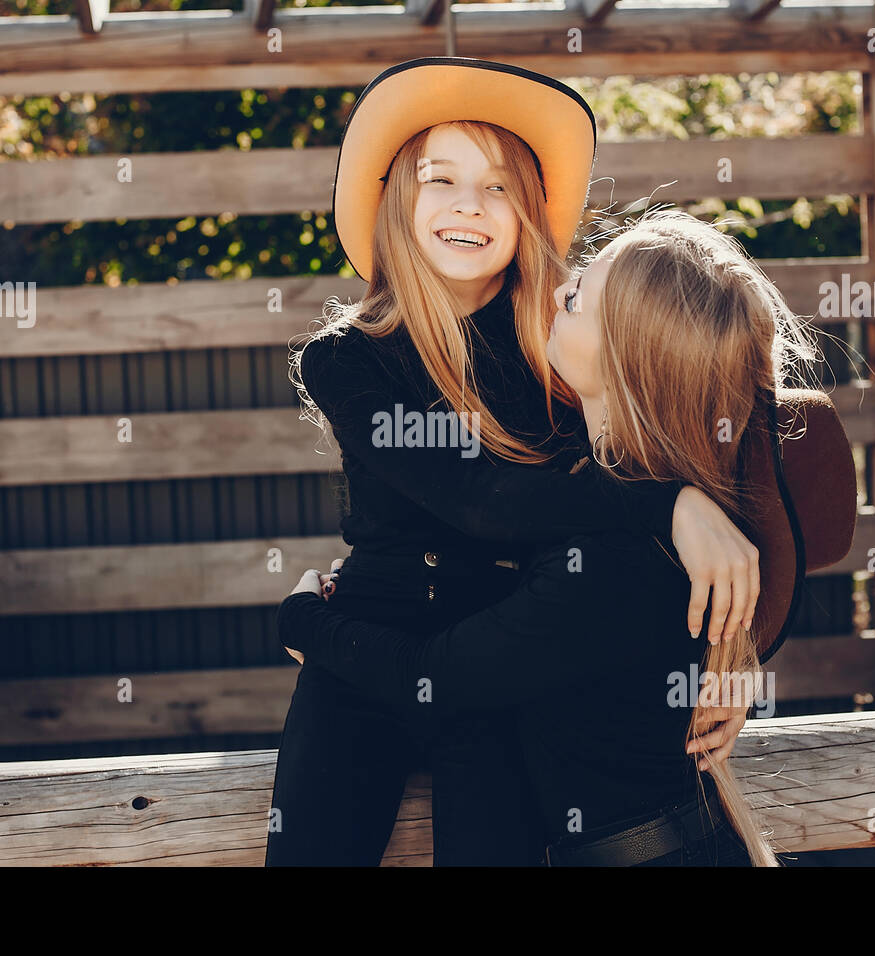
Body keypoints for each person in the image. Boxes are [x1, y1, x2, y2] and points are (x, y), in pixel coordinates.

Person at [265, 58, 761, 867]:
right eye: (441, 179)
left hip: (503, 658)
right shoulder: (345, 359)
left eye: (498, 186)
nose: (469, 203)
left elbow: (713, 454)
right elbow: (477, 499)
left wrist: (732, 662)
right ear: (396, 199)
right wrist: (666, 505)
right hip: (366, 638)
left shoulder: (562, 346)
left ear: (528, 210)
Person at [279, 208, 858, 866]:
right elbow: (486, 500)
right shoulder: (620, 487)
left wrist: (304, 620)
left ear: (624, 356)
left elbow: (434, 675)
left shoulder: (610, 560)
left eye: (578, 299)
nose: (557, 293)